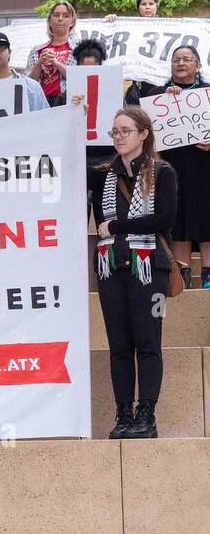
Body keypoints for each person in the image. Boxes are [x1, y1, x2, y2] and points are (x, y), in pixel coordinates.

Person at [83, 105, 178, 438]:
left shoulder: (162, 172)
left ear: (143, 134)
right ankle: (123, 414)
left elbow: (163, 220)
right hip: (111, 266)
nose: (119, 137)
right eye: (115, 132)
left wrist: (117, 226)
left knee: (148, 341)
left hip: (150, 267)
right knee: (119, 344)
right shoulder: (103, 174)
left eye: (125, 131)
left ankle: (146, 415)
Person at [138, 46, 210, 289]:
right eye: (176, 59)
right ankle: (183, 275)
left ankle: (208, 276)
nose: (180, 63)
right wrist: (165, 98)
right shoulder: (158, 94)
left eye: (186, 59)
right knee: (180, 219)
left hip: (205, 169)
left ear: (198, 65)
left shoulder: (207, 93)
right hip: (173, 169)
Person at [26, 0, 78, 107]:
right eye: (56, 15)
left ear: (72, 22)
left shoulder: (79, 49)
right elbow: (29, 84)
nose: (60, 19)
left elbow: (80, 77)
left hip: (68, 102)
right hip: (42, 102)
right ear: (49, 21)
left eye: (66, 16)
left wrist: (56, 63)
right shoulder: (37, 50)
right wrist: (39, 63)